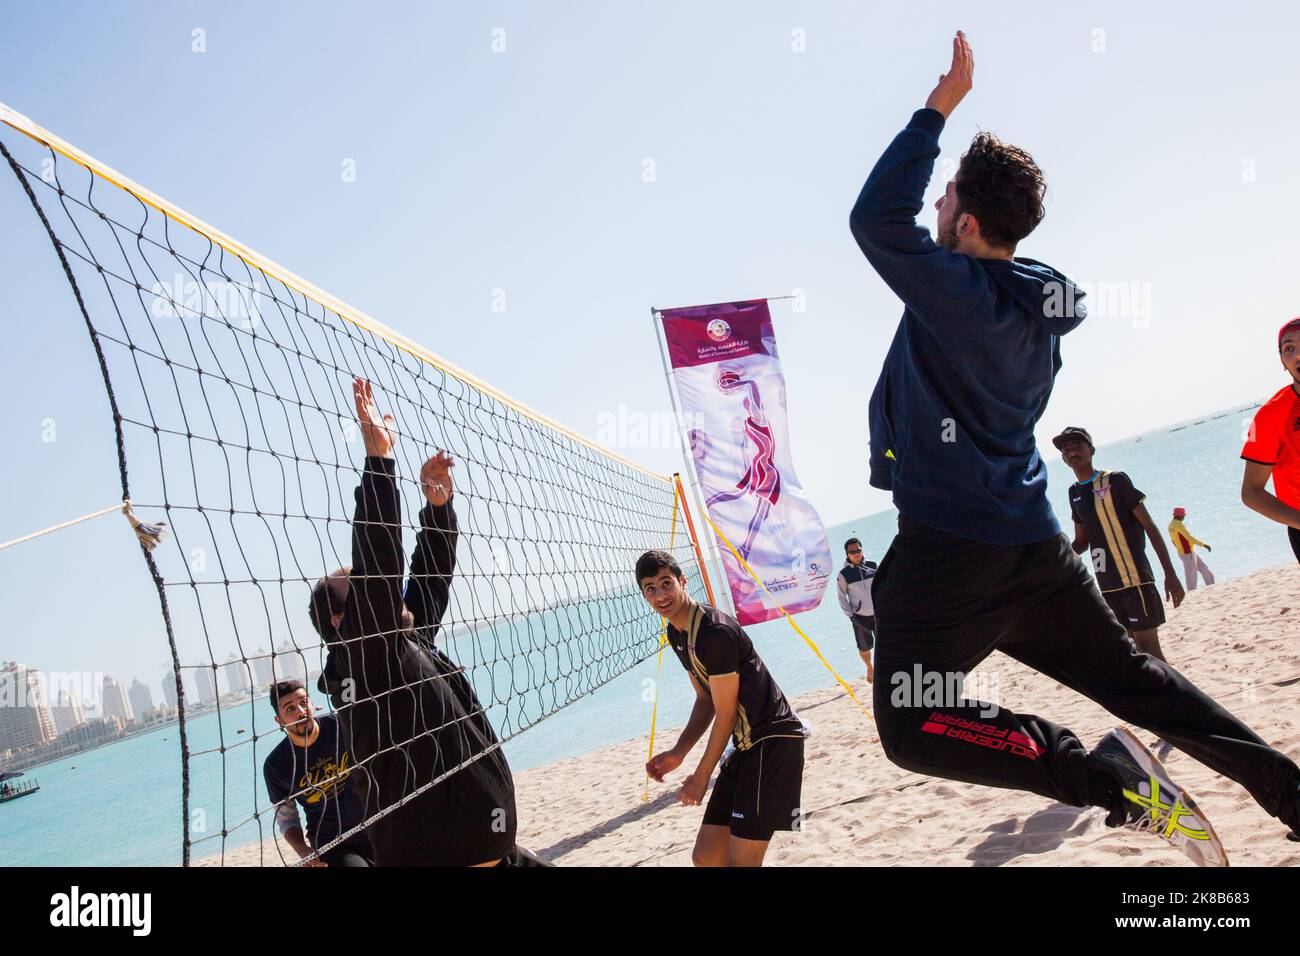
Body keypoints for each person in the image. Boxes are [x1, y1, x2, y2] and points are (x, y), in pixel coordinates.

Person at [849, 31, 1300, 864]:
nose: (933, 209)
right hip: (1032, 548)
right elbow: (927, 239)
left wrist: (937, 108)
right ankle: (1293, 796)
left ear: (971, 220)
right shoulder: (1032, 303)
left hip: (950, 552)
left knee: (910, 726)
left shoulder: (961, 295)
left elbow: (873, 217)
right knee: (1140, 683)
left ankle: (1106, 779)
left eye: (945, 199)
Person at [308, 377, 532, 867]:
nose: (388, 594)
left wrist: (437, 507)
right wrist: (379, 464)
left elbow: (428, 578)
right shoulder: (367, 660)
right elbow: (379, 553)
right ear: (349, 619)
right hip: (447, 847)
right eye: (370, 591)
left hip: (485, 842)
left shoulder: (406, 643)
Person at [638, 549, 805, 867]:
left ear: (682, 581)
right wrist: (679, 752)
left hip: (773, 742)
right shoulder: (676, 633)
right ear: (644, 595)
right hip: (745, 746)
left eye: (666, 583)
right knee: (706, 857)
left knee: (741, 862)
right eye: (650, 588)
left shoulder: (714, 633)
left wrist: (702, 777)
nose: (660, 595)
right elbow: (705, 700)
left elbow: (726, 714)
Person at [1053, 426, 1184, 662]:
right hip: (1107, 586)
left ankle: (1178, 697)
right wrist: (1055, 558)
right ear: (1063, 458)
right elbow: (1082, 541)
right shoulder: (1074, 493)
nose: (1072, 452)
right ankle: (1151, 697)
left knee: (1149, 652)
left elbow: (1150, 527)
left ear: (1091, 450)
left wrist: (1170, 573)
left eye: (1077, 446)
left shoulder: (1115, 480)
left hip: (1135, 580)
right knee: (1130, 653)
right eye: (1066, 449)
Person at [262, 679, 373, 866]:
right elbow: (287, 819)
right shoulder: (276, 766)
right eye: (290, 709)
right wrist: (304, 851)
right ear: (279, 721)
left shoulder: (342, 725)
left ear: (312, 704)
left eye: (303, 702)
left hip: (376, 824)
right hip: (332, 844)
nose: (301, 711)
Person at [1241, 317, 1300, 563]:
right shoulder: (1270, 416)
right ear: (1282, 362)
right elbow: (1251, 492)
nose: (1298, 354)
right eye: (1289, 348)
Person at [836, 537, 879, 681]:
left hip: (879, 614)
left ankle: (884, 667)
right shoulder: (844, 575)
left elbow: (884, 586)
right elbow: (841, 597)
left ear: (862, 550)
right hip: (860, 617)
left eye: (858, 550)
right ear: (847, 554)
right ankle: (869, 667)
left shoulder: (873, 566)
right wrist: (851, 616)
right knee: (864, 648)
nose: (856, 554)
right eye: (852, 551)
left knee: (886, 642)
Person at [1168, 507, 1215, 590]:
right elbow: (1188, 537)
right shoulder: (1178, 524)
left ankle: (1212, 586)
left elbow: (1173, 540)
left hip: (1185, 552)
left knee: (1203, 567)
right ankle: (1191, 593)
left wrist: (1179, 548)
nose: (1184, 517)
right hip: (1187, 553)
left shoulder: (1171, 524)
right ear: (1179, 516)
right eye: (1183, 515)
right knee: (1191, 575)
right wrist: (1203, 545)